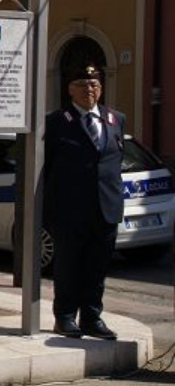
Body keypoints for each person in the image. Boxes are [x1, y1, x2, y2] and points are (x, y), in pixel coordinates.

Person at [43, 64, 124, 340]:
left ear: (100, 88)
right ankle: (65, 317)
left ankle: (92, 317)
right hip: (70, 210)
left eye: (94, 84)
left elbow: (113, 161)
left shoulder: (115, 119)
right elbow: (47, 167)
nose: (89, 89)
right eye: (82, 84)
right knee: (68, 266)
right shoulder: (56, 122)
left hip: (106, 208)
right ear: (70, 90)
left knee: (97, 268)